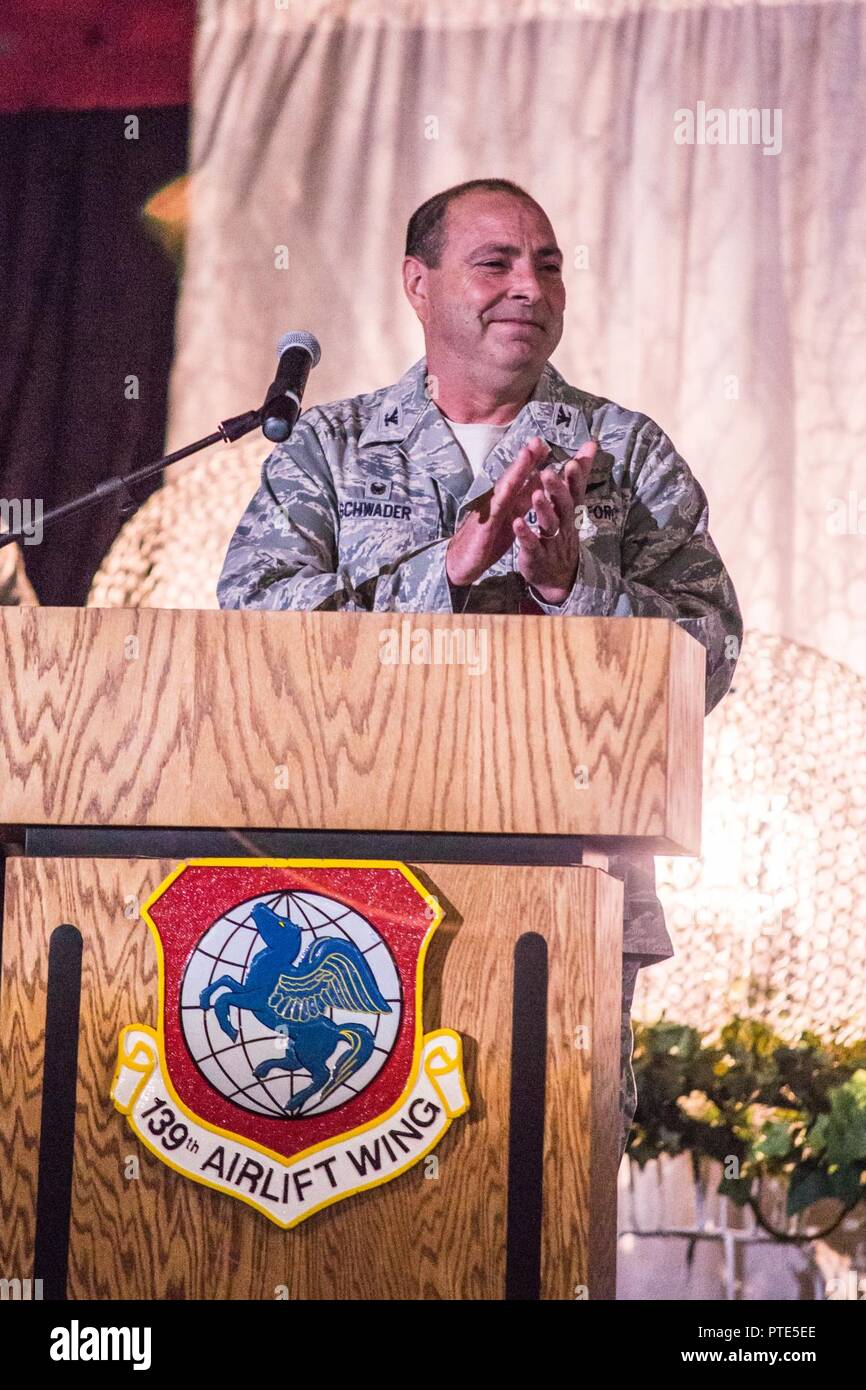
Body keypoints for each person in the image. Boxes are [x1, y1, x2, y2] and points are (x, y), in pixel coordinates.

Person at [217, 178, 744, 1161]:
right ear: (417, 285)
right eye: (493, 262)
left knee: (537, 1200)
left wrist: (567, 589)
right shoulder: (326, 449)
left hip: (570, 905)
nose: (526, 286)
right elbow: (253, 628)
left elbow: (707, 652)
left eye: (545, 264)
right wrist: (445, 573)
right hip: (346, 909)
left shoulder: (624, 454)